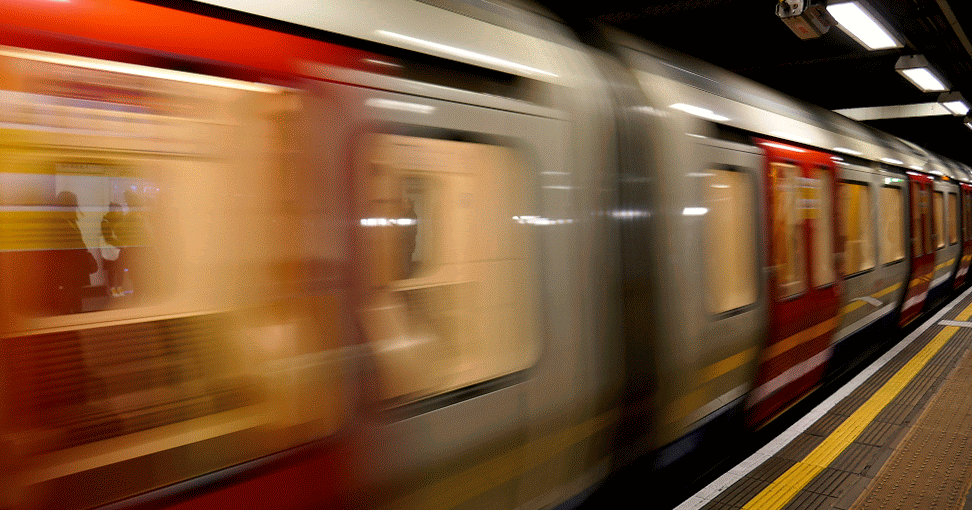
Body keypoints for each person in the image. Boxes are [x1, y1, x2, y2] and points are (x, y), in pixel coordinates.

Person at [52, 191, 96, 314]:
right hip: (69, 266)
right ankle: (68, 318)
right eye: (73, 203)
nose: (75, 206)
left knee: (75, 294)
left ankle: (75, 316)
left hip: (75, 266)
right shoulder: (61, 222)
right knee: (70, 294)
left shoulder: (69, 220)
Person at [100, 202, 124, 297]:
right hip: (112, 248)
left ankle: (119, 286)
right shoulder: (106, 221)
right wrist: (120, 244)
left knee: (120, 268)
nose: (120, 212)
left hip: (118, 247)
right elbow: (108, 238)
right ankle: (113, 288)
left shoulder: (119, 220)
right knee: (112, 269)